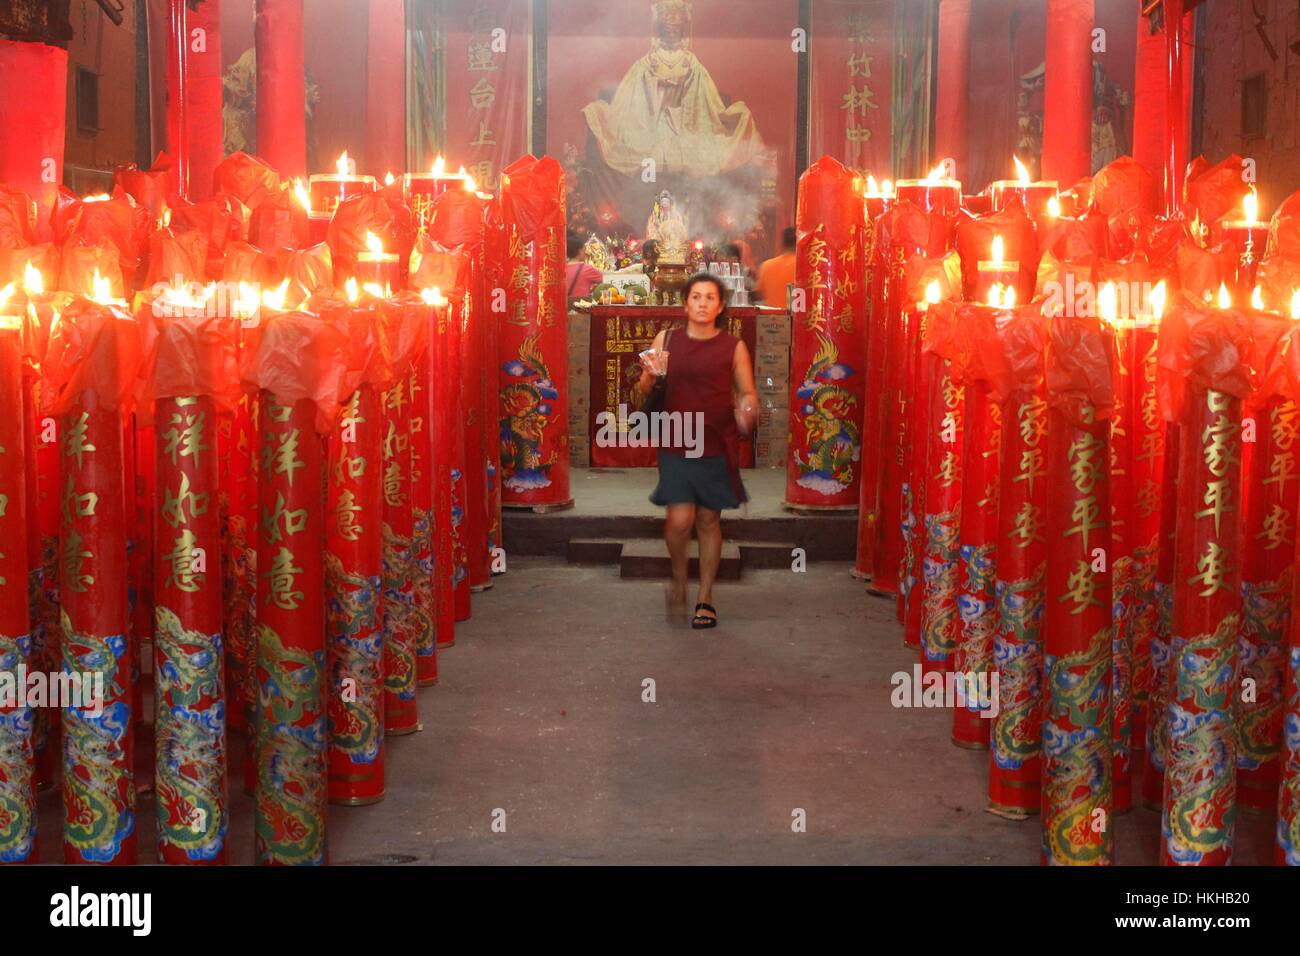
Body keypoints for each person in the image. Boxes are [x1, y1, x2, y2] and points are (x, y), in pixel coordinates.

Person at [637, 272, 757, 629]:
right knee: (679, 520)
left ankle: (705, 596)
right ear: (685, 302)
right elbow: (646, 388)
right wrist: (651, 374)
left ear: (720, 306)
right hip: (677, 438)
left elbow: (747, 391)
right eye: (696, 297)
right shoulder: (667, 338)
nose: (702, 303)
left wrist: (747, 411)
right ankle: (678, 574)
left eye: (709, 297)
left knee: (708, 519)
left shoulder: (733, 346)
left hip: (716, 442)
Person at [755, 226, 796, 308]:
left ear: (782, 243)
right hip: (796, 318)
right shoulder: (801, 266)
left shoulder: (767, 266)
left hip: (772, 318)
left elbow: (759, 294)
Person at [566, 231, 604, 304]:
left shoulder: (562, 269)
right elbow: (606, 280)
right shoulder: (586, 269)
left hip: (565, 308)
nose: (586, 253)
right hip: (581, 308)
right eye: (584, 250)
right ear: (580, 251)